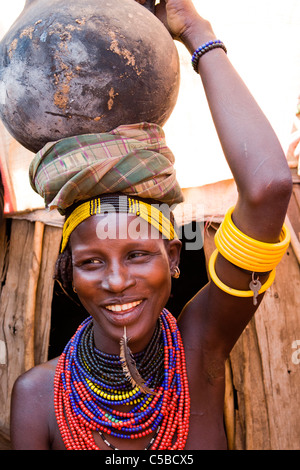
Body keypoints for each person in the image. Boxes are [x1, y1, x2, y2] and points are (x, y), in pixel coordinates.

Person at [10, 0, 292, 450]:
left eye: (137, 254)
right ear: (69, 275)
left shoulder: (200, 351)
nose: (117, 281)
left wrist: (197, 32)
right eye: (91, 262)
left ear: (173, 257)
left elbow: (270, 187)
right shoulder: (38, 397)